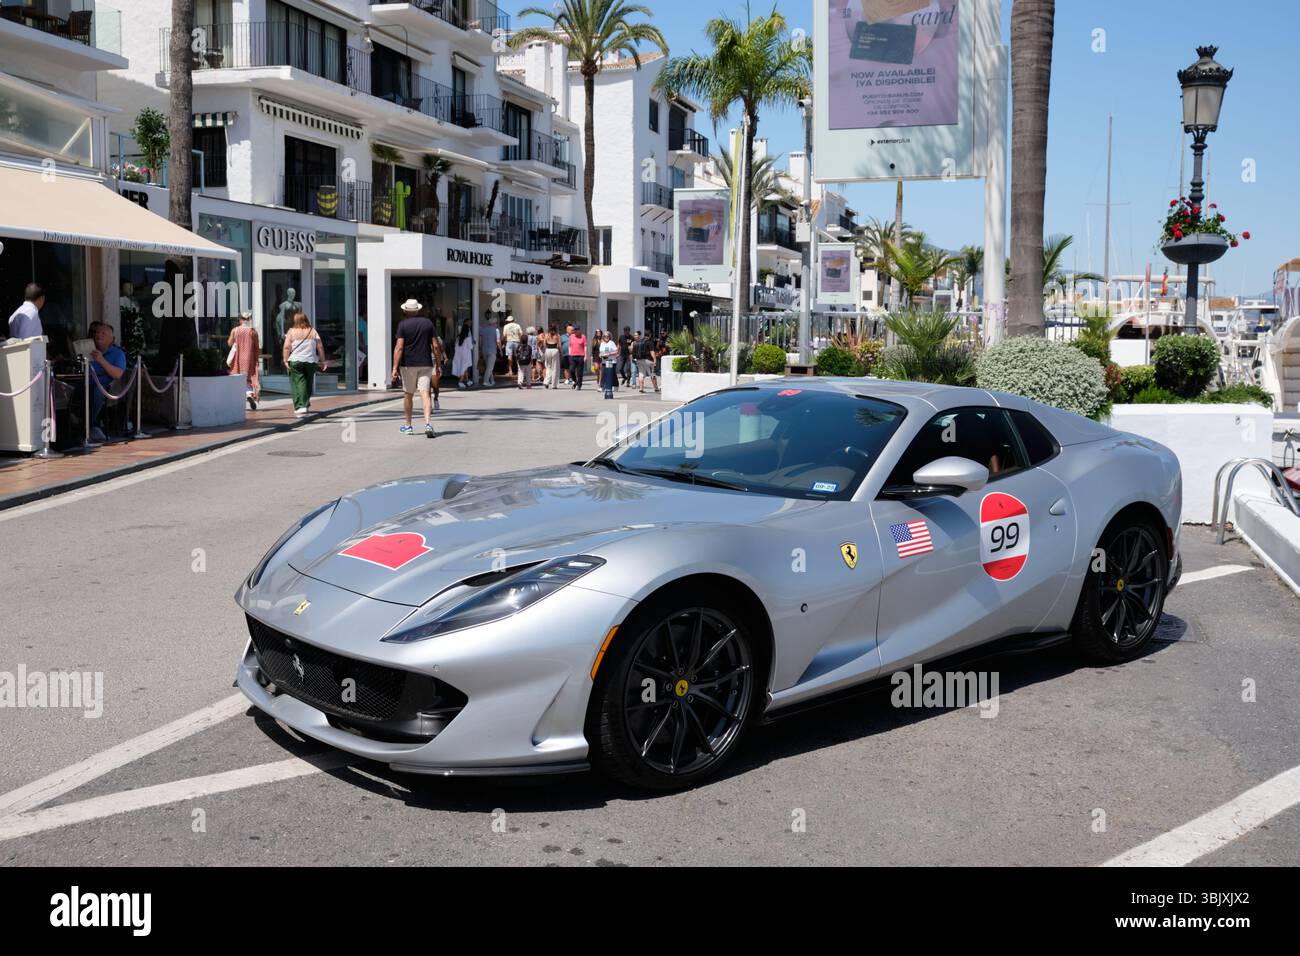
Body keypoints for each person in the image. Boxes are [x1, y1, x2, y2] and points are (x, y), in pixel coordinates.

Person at [391, 298, 436, 437]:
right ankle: (428, 424)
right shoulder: (428, 323)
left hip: (408, 364)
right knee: (425, 393)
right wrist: (438, 364)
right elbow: (435, 345)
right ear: (417, 310)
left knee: (408, 394)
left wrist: (394, 368)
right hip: (426, 363)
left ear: (405, 310)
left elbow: (399, 347)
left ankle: (408, 426)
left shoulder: (402, 325)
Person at [86, 320, 126, 442]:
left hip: (105, 387)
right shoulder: (88, 349)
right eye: (97, 332)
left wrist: (101, 360)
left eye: (103, 333)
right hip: (84, 383)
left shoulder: (117, 353)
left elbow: (118, 374)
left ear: (111, 339)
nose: (99, 335)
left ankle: (88, 426)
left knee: (97, 392)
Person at [283, 311, 326, 417]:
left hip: (296, 361)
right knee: (308, 383)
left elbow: (287, 347)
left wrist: (285, 360)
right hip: (311, 362)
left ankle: (301, 406)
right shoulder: (313, 331)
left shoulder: (291, 332)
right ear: (306, 319)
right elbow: (320, 347)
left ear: (295, 320)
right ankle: (302, 405)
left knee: (298, 383)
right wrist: (322, 360)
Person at [227, 310, 260, 410]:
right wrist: (256, 359)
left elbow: (229, 343)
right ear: (250, 319)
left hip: (237, 359)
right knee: (248, 379)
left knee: (237, 378)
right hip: (249, 358)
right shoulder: (253, 331)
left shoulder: (235, 330)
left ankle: (238, 401)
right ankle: (249, 394)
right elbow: (257, 347)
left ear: (240, 319)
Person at [634, 329, 659, 393]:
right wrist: (655, 360)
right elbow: (652, 352)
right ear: (650, 335)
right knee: (652, 374)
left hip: (639, 360)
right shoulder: (649, 341)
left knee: (641, 374)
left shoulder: (639, 341)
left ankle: (641, 388)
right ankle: (656, 388)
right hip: (648, 360)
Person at [452, 319, 474, 390]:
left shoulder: (458, 338)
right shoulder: (468, 338)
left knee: (465, 367)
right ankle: (460, 381)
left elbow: (455, 347)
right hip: (466, 355)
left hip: (459, 355)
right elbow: (471, 347)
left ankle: (467, 381)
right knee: (464, 368)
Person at [478, 315, 498, 387]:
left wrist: (480, 349)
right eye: (496, 323)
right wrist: (500, 350)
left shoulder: (484, 329)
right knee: (490, 367)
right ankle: (485, 381)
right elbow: (497, 341)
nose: (497, 324)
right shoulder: (495, 330)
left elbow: (481, 340)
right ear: (493, 323)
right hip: (492, 350)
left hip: (484, 350)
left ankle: (492, 380)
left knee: (488, 366)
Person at [599, 329, 618, 399]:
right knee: (604, 373)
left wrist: (609, 354)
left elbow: (616, 352)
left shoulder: (611, 343)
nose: (606, 337)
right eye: (604, 336)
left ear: (609, 337)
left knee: (611, 374)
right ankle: (603, 386)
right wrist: (601, 355)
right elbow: (600, 352)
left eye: (607, 336)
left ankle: (614, 385)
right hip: (604, 361)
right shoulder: (602, 343)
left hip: (611, 361)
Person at [502, 314, 522, 379]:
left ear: (508, 321)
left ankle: (510, 371)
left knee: (509, 356)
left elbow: (505, 336)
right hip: (517, 341)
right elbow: (521, 334)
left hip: (509, 341)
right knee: (517, 356)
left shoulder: (506, 326)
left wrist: (504, 343)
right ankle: (519, 370)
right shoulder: (517, 325)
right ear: (513, 320)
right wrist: (520, 342)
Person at [567, 325, 587, 390]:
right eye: (574, 330)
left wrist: (585, 356)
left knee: (579, 372)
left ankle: (579, 385)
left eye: (576, 330)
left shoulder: (583, 337)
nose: (575, 331)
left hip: (581, 356)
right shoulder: (571, 337)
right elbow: (569, 346)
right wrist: (569, 354)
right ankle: (575, 381)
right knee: (571, 370)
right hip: (572, 355)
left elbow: (585, 347)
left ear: (579, 330)